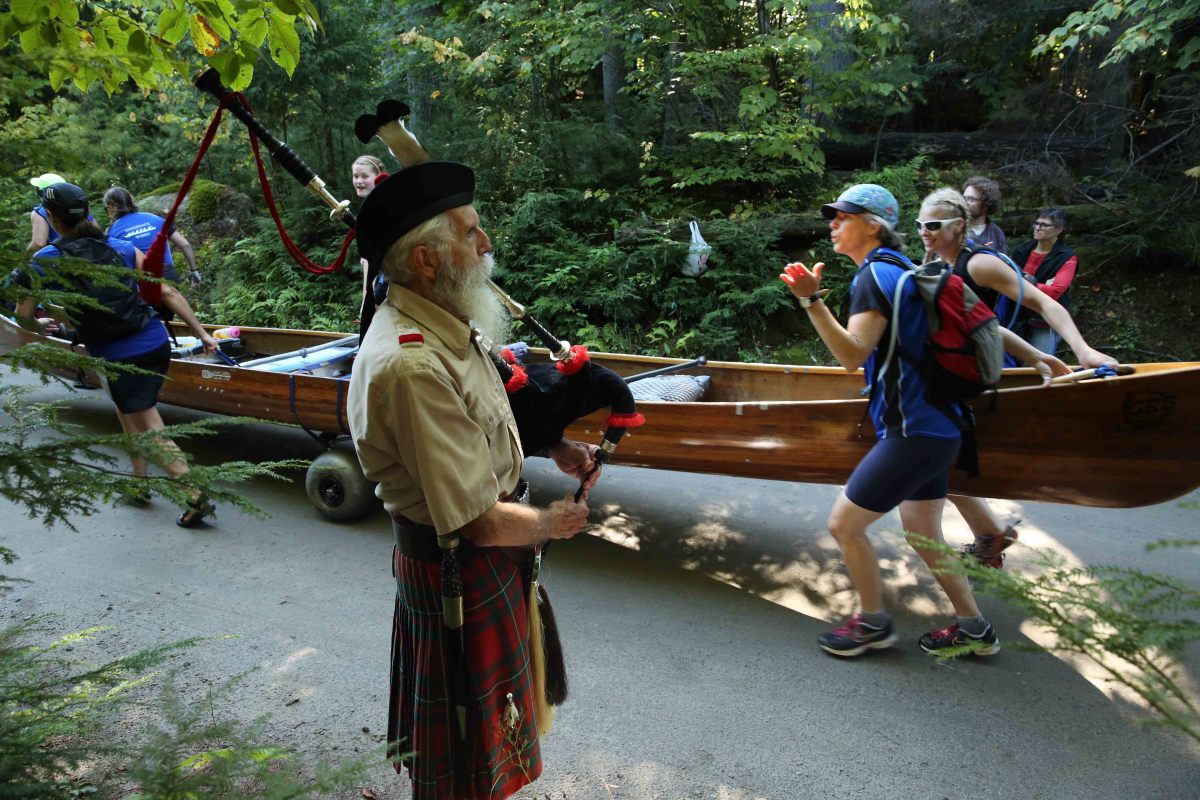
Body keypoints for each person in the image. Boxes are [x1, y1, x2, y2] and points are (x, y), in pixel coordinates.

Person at [347, 160, 598, 799]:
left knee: (485, 746)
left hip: (481, 564)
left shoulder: (448, 325)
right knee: (462, 761)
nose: (486, 244)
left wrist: (553, 445)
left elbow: (484, 414)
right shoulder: (411, 365)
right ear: (426, 260)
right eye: (470, 232)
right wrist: (552, 522)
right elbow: (480, 521)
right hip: (459, 567)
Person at [778, 184, 1059, 659]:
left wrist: (811, 301)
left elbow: (852, 355)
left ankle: (872, 624)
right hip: (942, 427)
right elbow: (985, 324)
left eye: (844, 216)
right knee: (923, 533)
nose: (833, 224)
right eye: (833, 216)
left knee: (845, 525)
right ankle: (975, 629)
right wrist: (1034, 355)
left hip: (913, 432)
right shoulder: (907, 269)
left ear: (873, 225)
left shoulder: (873, 276)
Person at [917, 187, 1114, 567]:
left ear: (958, 226)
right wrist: (1034, 354)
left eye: (933, 225)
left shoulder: (978, 264)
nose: (924, 231)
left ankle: (973, 546)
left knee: (932, 461)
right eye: (919, 224)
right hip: (947, 373)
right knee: (941, 463)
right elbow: (981, 323)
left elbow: (1043, 302)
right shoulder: (937, 263)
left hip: (969, 375)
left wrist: (1082, 350)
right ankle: (988, 537)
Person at [12, 182, 218, 527]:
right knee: (128, 410)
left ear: (52, 219)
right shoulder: (120, 246)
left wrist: (38, 325)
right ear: (88, 213)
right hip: (155, 342)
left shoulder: (47, 259)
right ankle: (138, 480)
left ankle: (195, 494)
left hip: (120, 355)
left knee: (149, 426)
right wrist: (202, 334)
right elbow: (165, 291)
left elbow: (22, 315)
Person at [1008, 208, 1077, 355]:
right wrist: (1042, 286)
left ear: (1058, 230)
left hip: (1045, 320)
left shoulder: (1066, 256)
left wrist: (1025, 281)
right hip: (1016, 316)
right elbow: (1007, 281)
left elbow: (1055, 292)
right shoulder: (1021, 251)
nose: (1038, 227)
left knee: (1042, 362)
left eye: (1044, 225)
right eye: (1037, 223)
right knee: (1011, 364)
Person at [104, 186, 203, 288]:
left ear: (111, 207)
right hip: (167, 273)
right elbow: (184, 244)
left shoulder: (112, 232)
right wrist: (193, 270)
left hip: (143, 280)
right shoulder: (154, 218)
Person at [351, 155, 389, 310]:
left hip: (392, 274)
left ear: (378, 176)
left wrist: (367, 298)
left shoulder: (384, 205)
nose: (359, 181)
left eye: (365, 176)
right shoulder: (371, 206)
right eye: (355, 176)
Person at [28, 172, 95, 254]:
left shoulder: (40, 211)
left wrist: (25, 258)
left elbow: (38, 244)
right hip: (90, 252)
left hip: (60, 255)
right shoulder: (81, 209)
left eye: (38, 190)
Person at [962, 175, 1007, 253]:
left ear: (986, 204)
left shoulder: (996, 233)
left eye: (971, 199)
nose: (965, 202)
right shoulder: (955, 227)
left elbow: (1002, 259)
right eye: (964, 198)